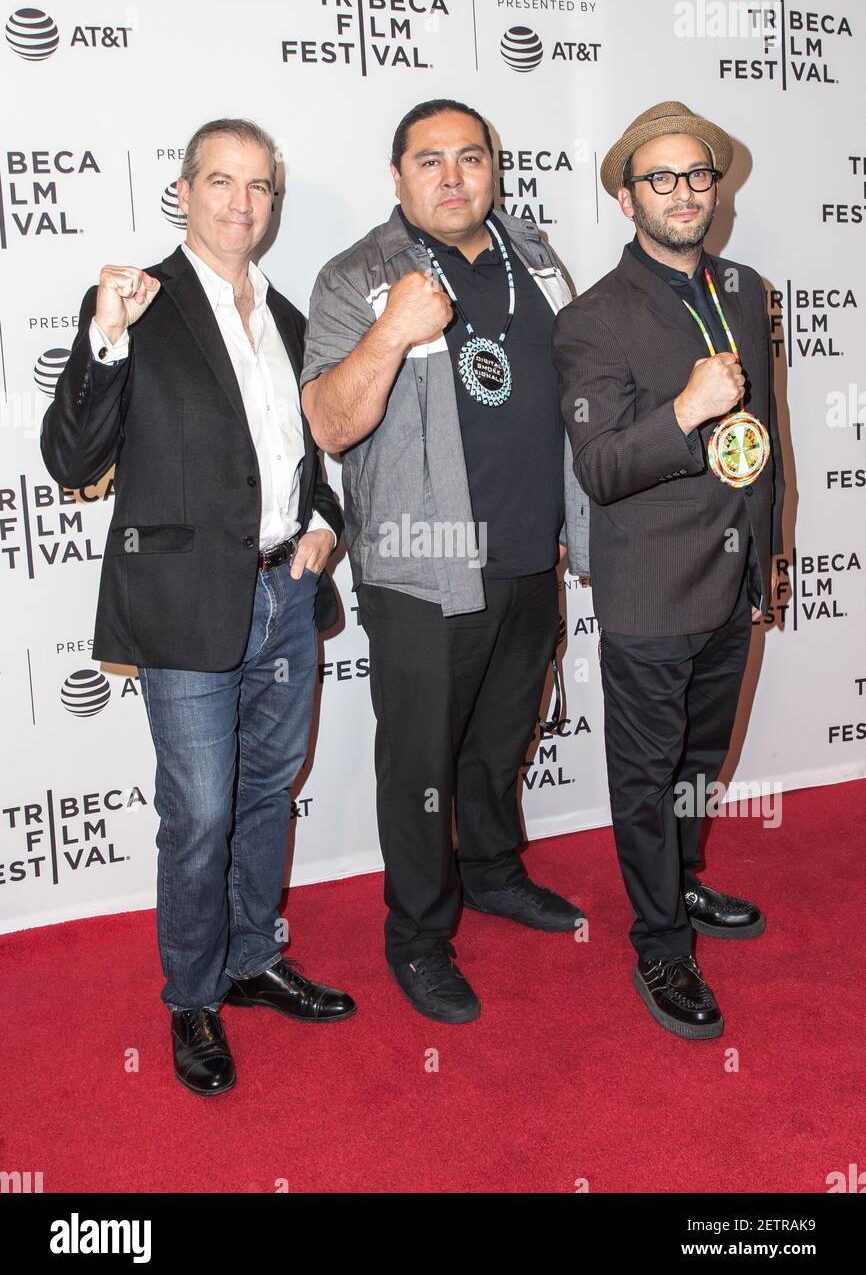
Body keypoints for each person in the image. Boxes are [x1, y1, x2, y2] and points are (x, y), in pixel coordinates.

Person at [41, 118, 355, 1097]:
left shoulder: (288, 319)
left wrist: (322, 524)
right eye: (221, 181)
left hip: (285, 591)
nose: (240, 203)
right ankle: (191, 995)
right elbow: (72, 458)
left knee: (267, 790)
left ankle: (252, 955)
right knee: (200, 809)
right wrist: (103, 336)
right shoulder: (140, 301)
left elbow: (301, 462)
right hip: (183, 606)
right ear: (184, 190)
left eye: (258, 186)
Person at [301, 99, 588, 1025]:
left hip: (526, 555)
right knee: (420, 758)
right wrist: (393, 331)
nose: (454, 177)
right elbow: (331, 425)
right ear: (398, 176)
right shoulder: (358, 276)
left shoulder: (536, 258)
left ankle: (496, 873)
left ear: (495, 169)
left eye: (472, 158)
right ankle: (418, 933)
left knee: (501, 739)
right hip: (424, 572)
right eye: (431, 160)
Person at [552, 101, 784, 1040]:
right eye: (662, 179)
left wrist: (765, 554)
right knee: (647, 776)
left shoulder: (744, 282)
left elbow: (766, 440)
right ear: (625, 196)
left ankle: (681, 886)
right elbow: (601, 466)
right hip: (652, 586)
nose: (684, 193)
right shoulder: (592, 321)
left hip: (732, 578)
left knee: (699, 760)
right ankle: (658, 941)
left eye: (699, 176)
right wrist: (685, 410)